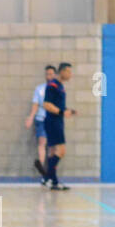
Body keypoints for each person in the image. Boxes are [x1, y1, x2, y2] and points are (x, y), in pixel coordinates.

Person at [42, 62, 76, 191]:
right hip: (52, 121)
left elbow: (58, 105)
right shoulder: (53, 85)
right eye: (68, 71)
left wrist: (68, 111)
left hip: (57, 121)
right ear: (61, 72)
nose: (70, 74)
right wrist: (62, 112)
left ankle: (50, 180)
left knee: (52, 152)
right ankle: (50, 179)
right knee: (61, 151)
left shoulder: (60, 86)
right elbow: (46, 104)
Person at [27, 65, 57, 179]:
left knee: (52, 147)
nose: (49, 76)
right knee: (42, 142)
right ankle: (41, 167)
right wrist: (30, 117)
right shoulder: (39, 89)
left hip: (53, 121)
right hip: (42, 120)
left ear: (54, 75)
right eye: (47, 74)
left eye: (51, 74)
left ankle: (50, 173)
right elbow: (35, 105)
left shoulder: (57, 89)